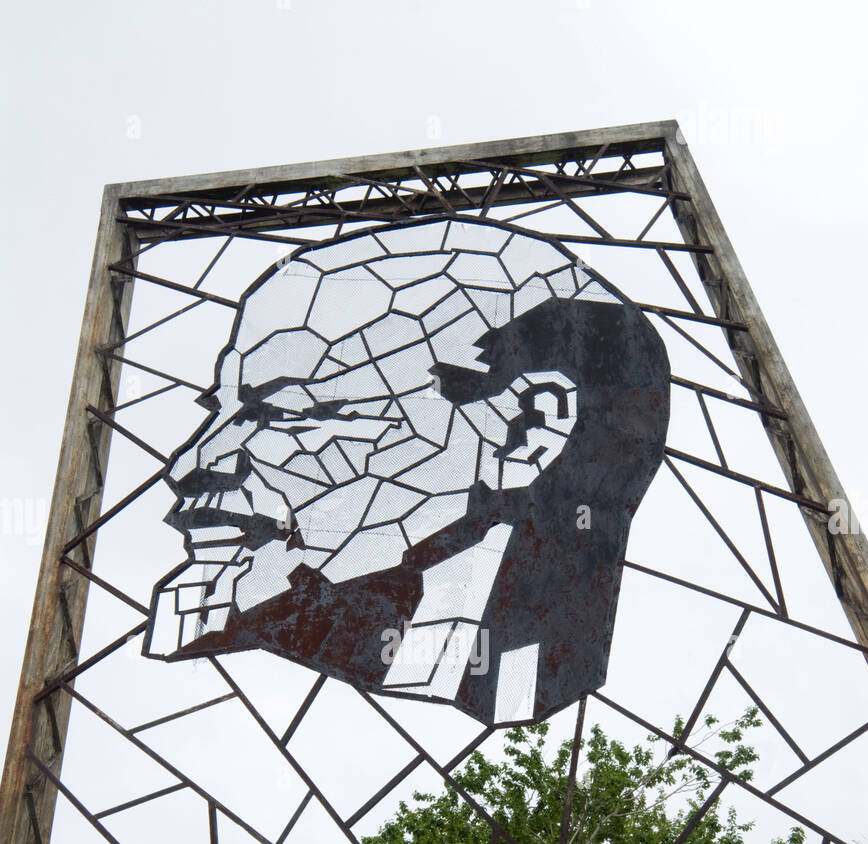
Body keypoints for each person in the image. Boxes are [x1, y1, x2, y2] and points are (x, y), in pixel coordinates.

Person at [145, 215, 669, 726]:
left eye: (291, 418)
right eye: (222, 413)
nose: (192, 465)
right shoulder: (270, 662)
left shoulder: (534, 686)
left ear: (526, 434)